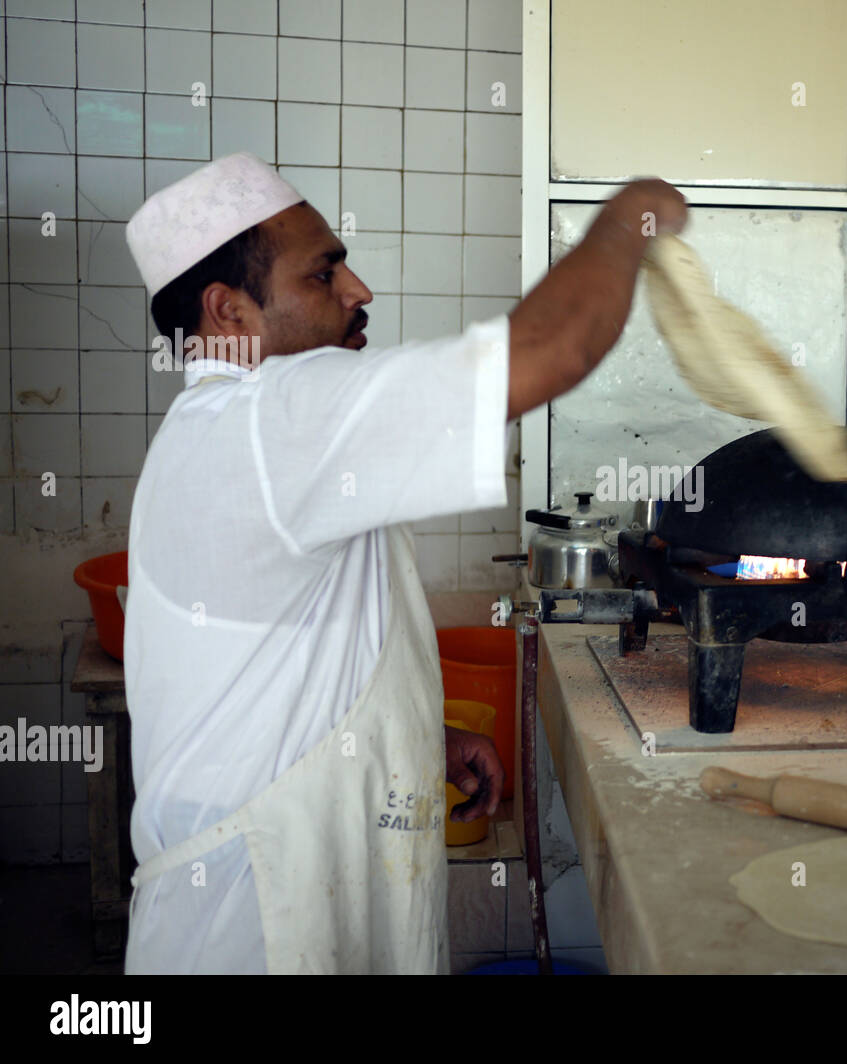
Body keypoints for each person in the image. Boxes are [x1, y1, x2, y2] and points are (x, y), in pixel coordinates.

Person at [121, 152, 687, 974]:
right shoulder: (266, 416)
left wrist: (414, 738)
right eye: (323, 274)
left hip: (282, 883)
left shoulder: (231, 429)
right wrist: (632, 207)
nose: (359, 291)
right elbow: (553, 347)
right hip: (251, 925)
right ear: (227, 311)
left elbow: (294, 657)